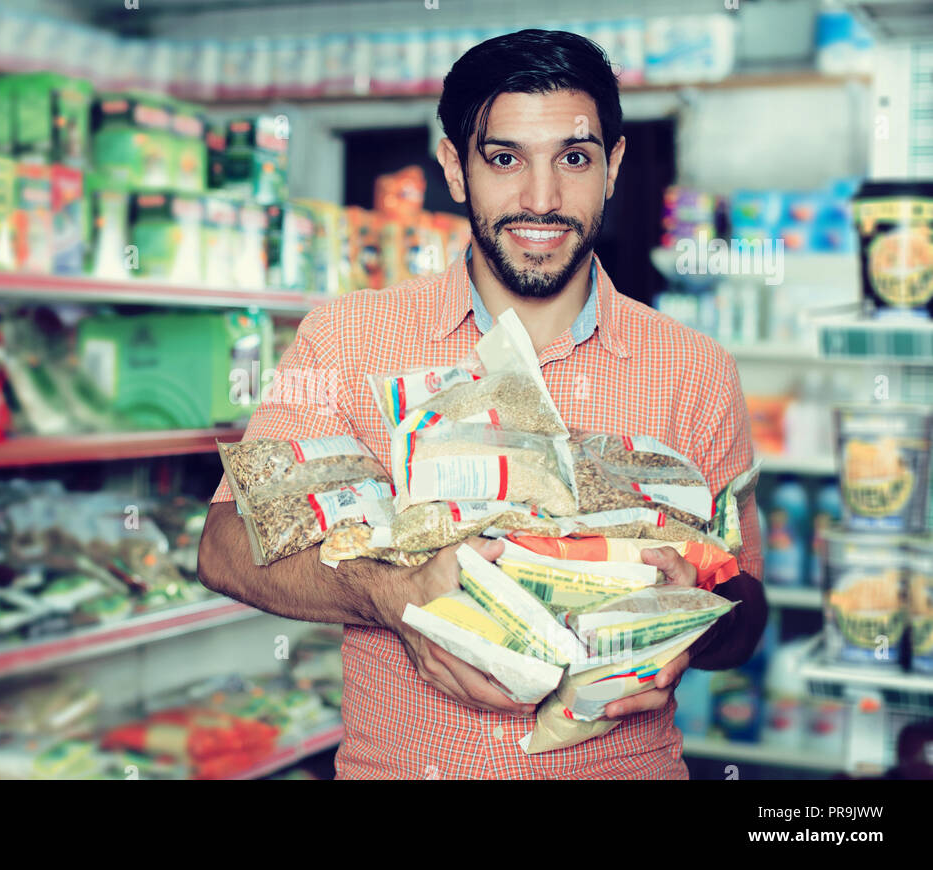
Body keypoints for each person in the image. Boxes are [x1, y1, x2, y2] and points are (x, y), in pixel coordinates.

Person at [197, 29, 767, 779]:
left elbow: (747, 610)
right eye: (504, 159)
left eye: (573, 157)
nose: (541, 198)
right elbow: (226, 545)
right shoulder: (348, 341)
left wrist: (691, 623)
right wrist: (395, 596)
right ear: (455, 169)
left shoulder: (694, 368)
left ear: (613, 167)